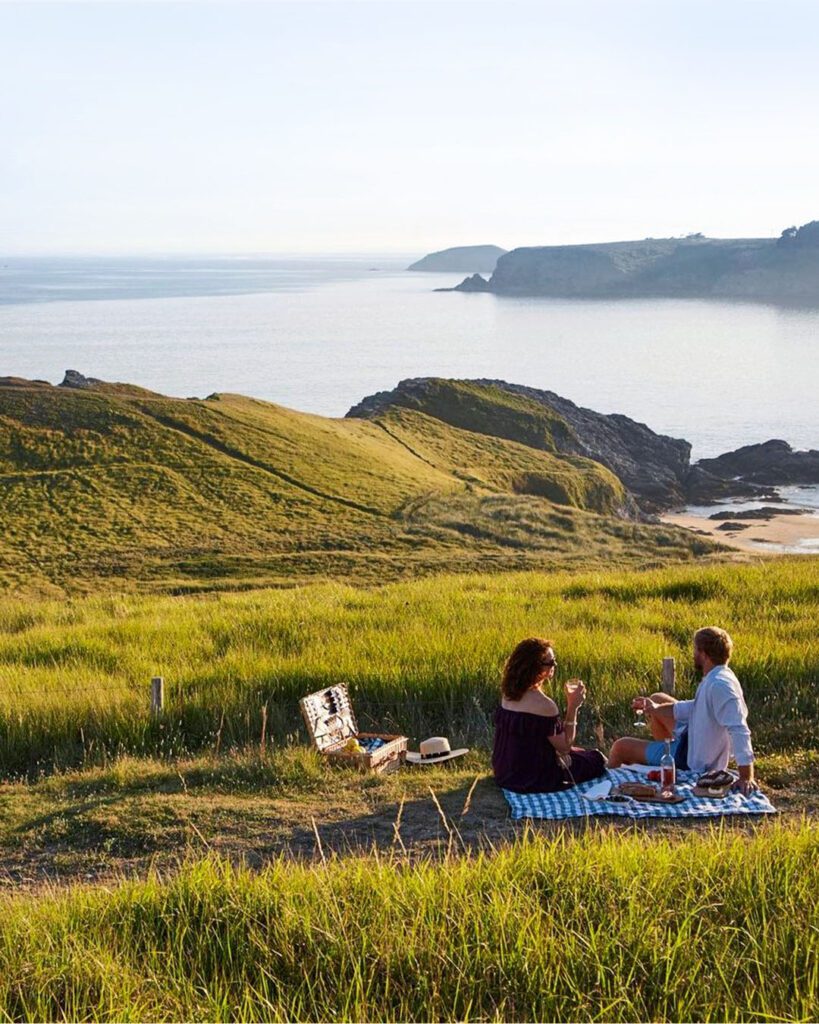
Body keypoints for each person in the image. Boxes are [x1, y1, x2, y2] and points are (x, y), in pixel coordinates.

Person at [608, 626, 759, 794]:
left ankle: (608, 789)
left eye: (695, 649)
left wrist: (746, 776)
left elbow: (739, 729)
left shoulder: (720, 686)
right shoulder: (719, 675)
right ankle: (664, 755)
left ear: (703, 654)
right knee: (658, 698)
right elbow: (696, 707)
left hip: (691, 758)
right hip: (693, 738)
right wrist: (655, 708)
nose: (693, 654)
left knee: (620, 747)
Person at [492, 637, 606, 793]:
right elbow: (565, 746)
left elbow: (530, 740)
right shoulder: (545, 705)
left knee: (579, 753)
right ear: (536, 669)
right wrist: (573, 706)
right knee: (596, 759)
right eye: (551, 663)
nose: (555, 665)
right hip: (535, 777)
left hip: (505, 773)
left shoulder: (508, 694)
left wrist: (559, 753)